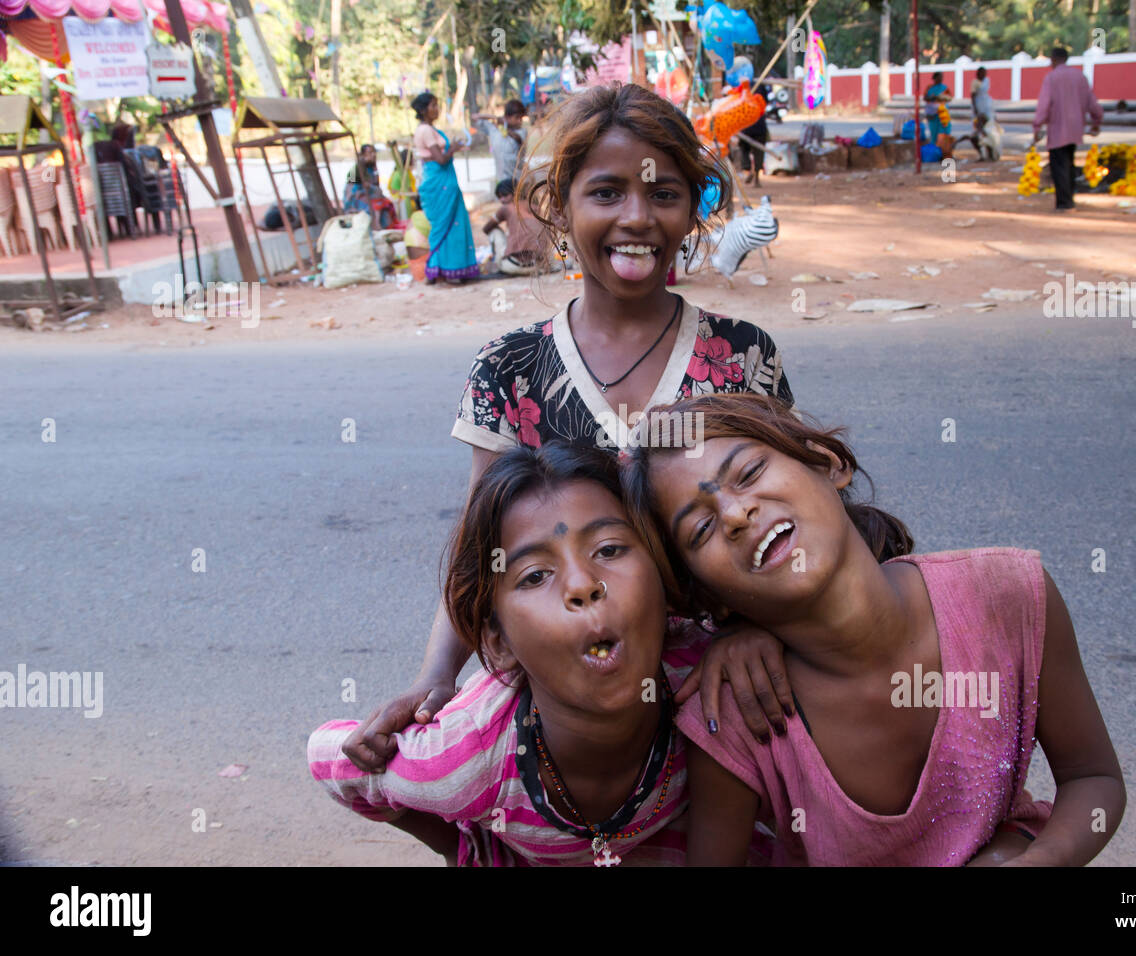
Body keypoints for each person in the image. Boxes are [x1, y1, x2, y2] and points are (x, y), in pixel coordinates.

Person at [341, 82, 800, 777]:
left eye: (665, 194)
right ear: (561, 205)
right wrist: (437, 675)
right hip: (567, 692)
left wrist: (758, 629)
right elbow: (483, 543)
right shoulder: (510, 369)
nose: (637, 218)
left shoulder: (743, 357)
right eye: (607, 192)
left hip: (724, 692)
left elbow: (793, 524)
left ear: (693, 209)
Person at [621, 393, 1127, 866]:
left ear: (827, 462)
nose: (735, 513)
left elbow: (1093, 778)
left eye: (749, 472)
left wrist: (1039, 860)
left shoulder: (1006, 594)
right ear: (706, 595)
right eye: (701, 529)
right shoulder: (738, 716)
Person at [310, 444, 756, 865]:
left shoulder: (710, 680)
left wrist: (750, 634)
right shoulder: (464, 759)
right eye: (536, 575)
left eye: (609, 550)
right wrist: (466, 849)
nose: (583, 586)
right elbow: (331, 761)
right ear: (499, 643)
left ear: (662, 582)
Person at [411, 91, 480, 283]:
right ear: (423, 110)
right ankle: (444, 268)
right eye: (433, 105)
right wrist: (453, 149)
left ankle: (449, 268)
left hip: (444, 180)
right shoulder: (425, 130)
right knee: (444, 226)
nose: (436, 109)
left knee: (451, 225)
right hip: (439, 181)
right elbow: (441, 159)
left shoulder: (429, 129)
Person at [1032, 48, 1103, 212]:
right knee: (1069, 163)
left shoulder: (1051, 78)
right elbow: (1093, 103)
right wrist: (1096, 121)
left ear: (1054, 60)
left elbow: (1044, 104)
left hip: (1057, 128)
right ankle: (1069, 197)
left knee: (1059, 166)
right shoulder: (1080, 77)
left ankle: (1065, 203)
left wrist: (1037, 125)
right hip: (1075, 128)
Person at [483, 177, 550, 275]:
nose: (502, 200)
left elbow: (486, 229)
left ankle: (498, 263)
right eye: (499, 197)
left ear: (515, 193)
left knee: (495, 231)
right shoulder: (535, 206)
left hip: (514, 266)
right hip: (541, 266)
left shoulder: (506, 208)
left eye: (505, 195)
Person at [473, 99, 528, 184]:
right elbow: (475, 117)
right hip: (501, 179)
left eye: (521, 118)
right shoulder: (494, 130)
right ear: (507, 117)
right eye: (517, 117)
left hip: (518, 180)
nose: (519, 121)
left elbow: (517, 138)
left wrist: (504, 126)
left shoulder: (521, 132)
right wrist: (495, 118)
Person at [737, 81, 771, 187]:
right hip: (759, 126)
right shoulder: (759, 86)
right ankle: (756, 177)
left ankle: (748, 170)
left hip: (746, 125)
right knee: (758, 152)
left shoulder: (741, 87)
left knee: (744, 149)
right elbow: (765, 103)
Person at [923, 71, 951, 145]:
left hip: (942, 113)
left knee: (944, 131)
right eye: (939, 77)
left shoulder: (944, 88)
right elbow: (925, 97)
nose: (941, 79)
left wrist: (942, 98)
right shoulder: (929, 87)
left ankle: (943, 148)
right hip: (933, 113)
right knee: (934, 132)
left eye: (941, 77)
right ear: (935, 78)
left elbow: (949, 97)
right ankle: (934, 147)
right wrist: (933, 97)